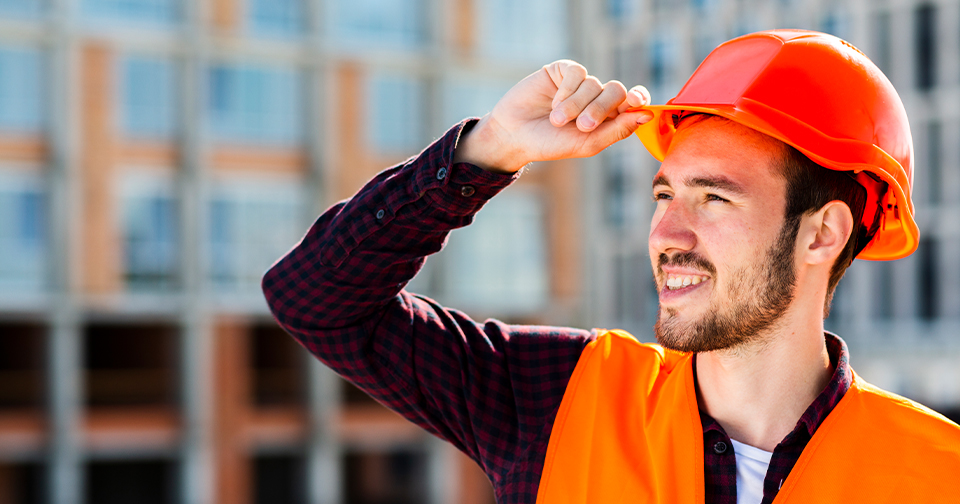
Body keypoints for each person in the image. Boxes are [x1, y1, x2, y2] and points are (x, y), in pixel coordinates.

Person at [262, 30, 960, 504]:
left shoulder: (939, 471)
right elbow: (315, 298)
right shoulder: (556, 396)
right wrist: (490, 149)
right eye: (665, 194)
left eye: (714, 198)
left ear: (821, 235)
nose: (666, 233)